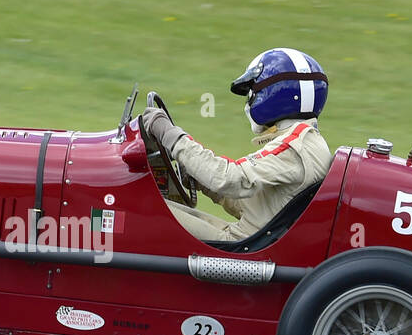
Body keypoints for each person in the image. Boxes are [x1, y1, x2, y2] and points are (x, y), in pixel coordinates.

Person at [141, 48, 333, 242]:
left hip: (248, 247)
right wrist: (202, 182)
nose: (249, 101)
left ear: (274, 95)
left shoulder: (295, 145)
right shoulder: (306, 141)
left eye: (252, 93)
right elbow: (258, 206)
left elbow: (228, 178)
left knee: (139, 208)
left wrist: (169, 134)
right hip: (256, 240)